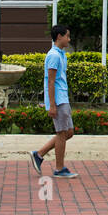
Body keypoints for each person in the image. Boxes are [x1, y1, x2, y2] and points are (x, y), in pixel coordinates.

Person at [30, 24, 76, 179]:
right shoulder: (54, 56)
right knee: (62, 133)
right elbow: (50, 81)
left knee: (68, 132)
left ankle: (39, 153)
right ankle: (59, 168)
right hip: (58, 100)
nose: (69, 39)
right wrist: (52, 105)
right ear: (59, 37)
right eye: (67, 36)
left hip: (63, 97)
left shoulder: (61, 55)